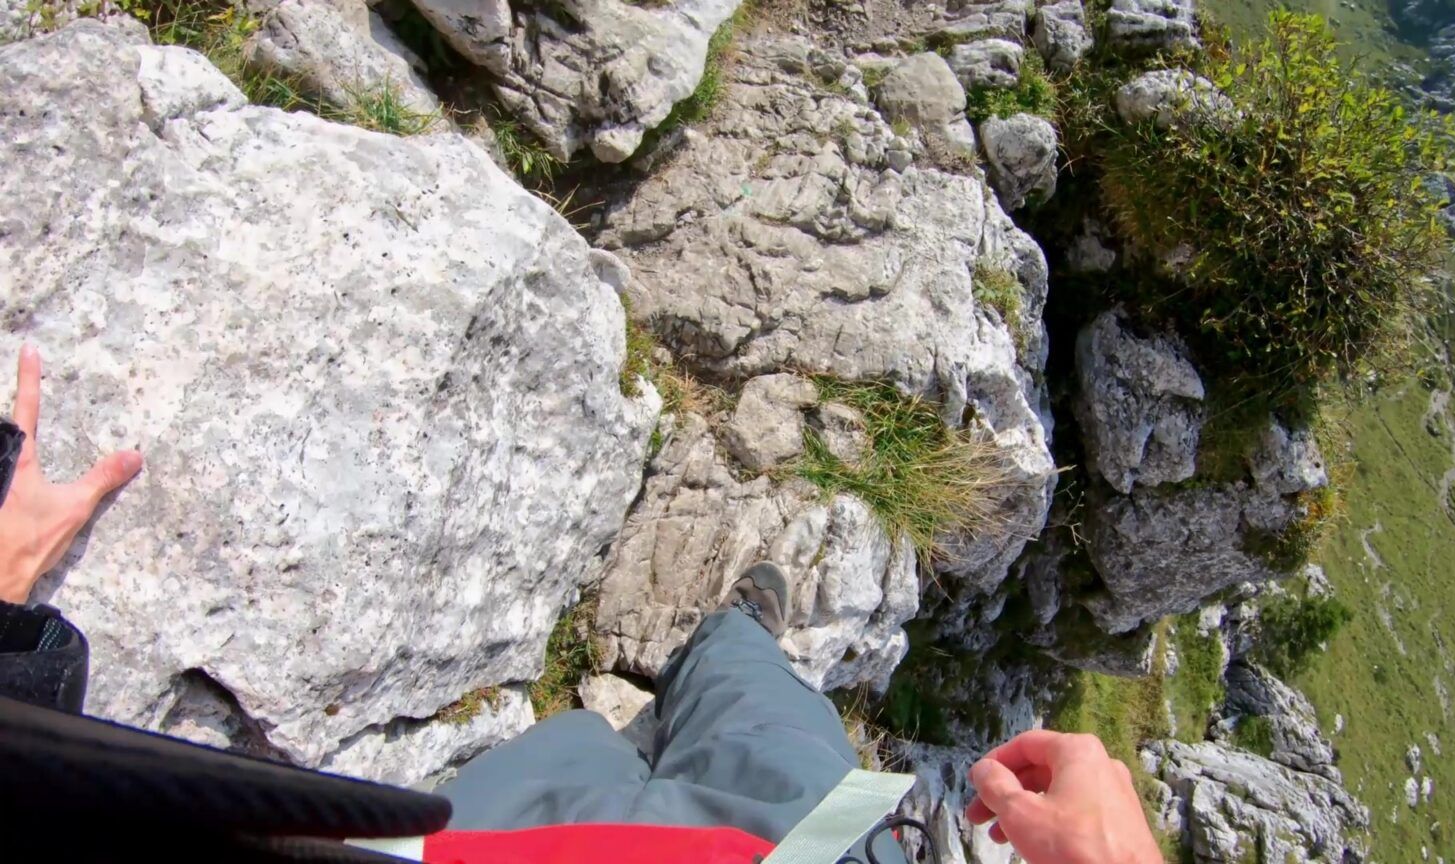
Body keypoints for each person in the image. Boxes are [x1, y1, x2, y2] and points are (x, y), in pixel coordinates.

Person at [0, 344, 1164, 864]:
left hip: (536, 850)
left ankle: (691, 678)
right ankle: (721, 650)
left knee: (613, 743)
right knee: (751, 703)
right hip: (809, 844)